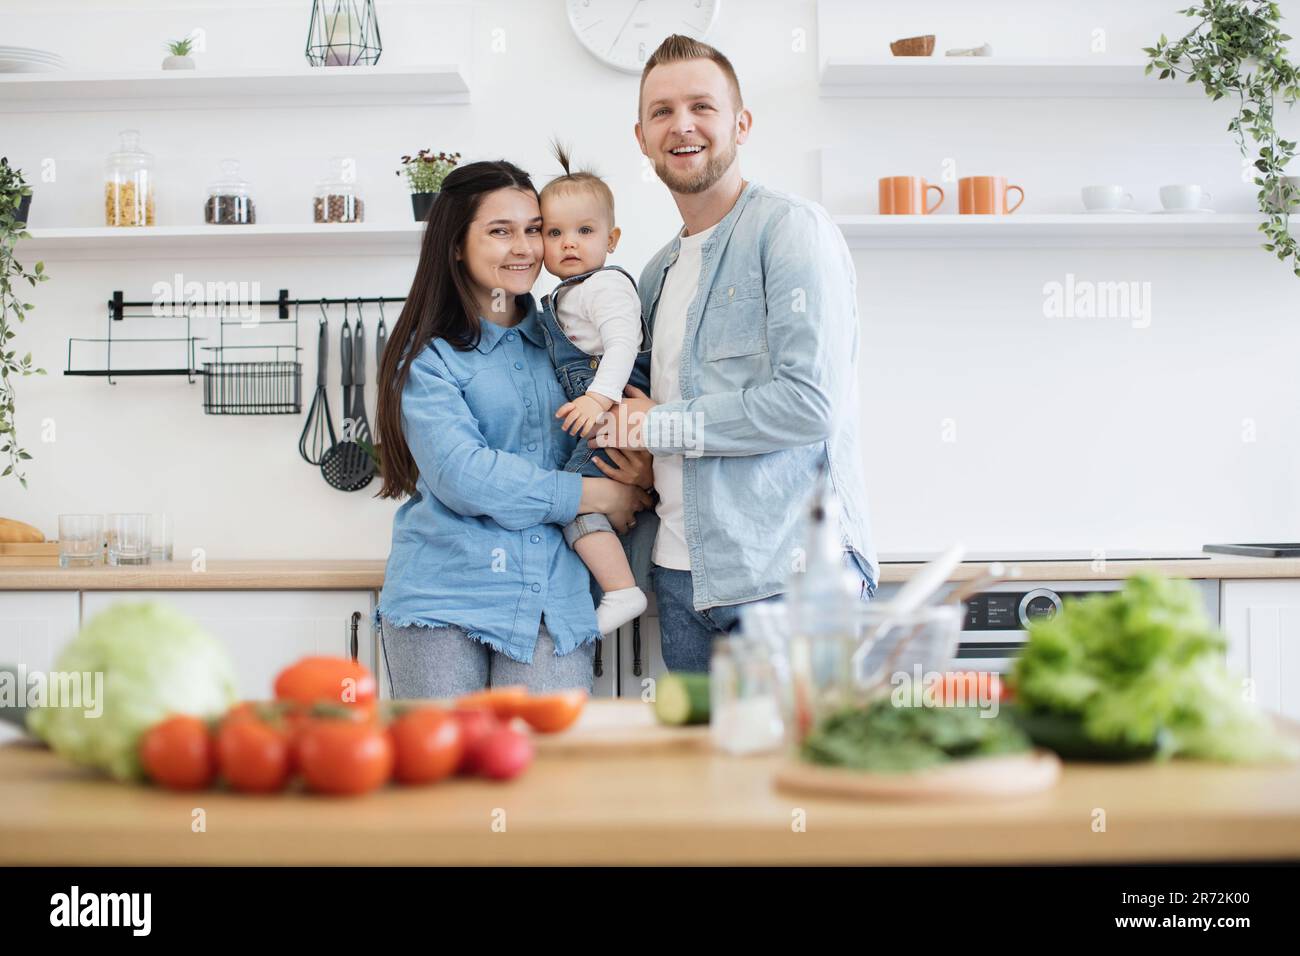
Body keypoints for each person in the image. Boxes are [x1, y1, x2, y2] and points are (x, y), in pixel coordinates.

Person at [591, 35, 879, 672]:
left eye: (702, 106)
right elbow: (646, 415)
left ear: (740, 124)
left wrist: (657, 426)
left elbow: (809, 406)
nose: (681, 124)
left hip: (789, 581)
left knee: (801, 771)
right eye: (661, 112)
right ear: (641, 137)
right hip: (680, 576)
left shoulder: (789, 231)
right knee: (707, 774)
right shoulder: (654, 273)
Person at [372, 159, 653, 698]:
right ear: (456, 243)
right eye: (500, 231)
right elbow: (463, 475)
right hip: (445, 595)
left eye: (532, 229)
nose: (524, 247)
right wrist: (594, 493)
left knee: (544, 777)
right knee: (448, 778)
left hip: (554, 599)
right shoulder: (430, 357)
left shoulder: (570, 341)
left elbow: (615, 427)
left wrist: (635, 470)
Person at [537, 141, 651, 635]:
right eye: (554, 232)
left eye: (584, 231)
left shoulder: (604, 286)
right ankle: (618, 584)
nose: (568, 243)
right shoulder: (569, 293)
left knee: (576, 501)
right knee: (583, 501)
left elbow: (624, 345)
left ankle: (623, 591)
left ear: (612, 237)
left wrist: (599, 397)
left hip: (615, 408)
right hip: (604, 409)